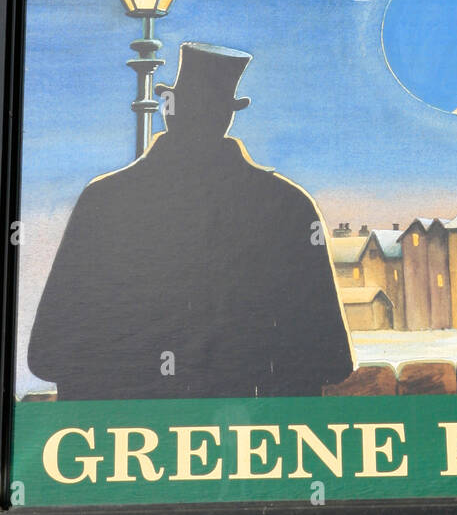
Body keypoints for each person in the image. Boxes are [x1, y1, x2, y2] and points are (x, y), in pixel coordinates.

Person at [27, 43, 354, 400]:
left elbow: (48, 354)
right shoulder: (291, 206)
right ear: (228, 114)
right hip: (252, 441)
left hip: (119, 440)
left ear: (170, 109)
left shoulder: (103, 200)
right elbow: (331, 360)